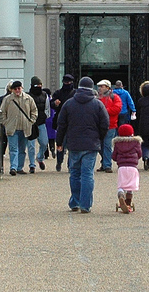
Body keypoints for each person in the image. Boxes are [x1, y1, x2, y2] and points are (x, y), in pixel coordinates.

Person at [55, 76, 108, 213]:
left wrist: (59, 142)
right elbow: (105, 124)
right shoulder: (98, 104)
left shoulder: (69, 103)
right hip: (91, 143)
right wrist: (99, 138)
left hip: (74, 143)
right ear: (92, 88)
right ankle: (85, 205)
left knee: (75, 173)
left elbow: (61, 125)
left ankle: (75, 202)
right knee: (87, 174)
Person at [0, 80, 38, 175]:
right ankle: (13, 168)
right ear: (12, 90)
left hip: (25, 128)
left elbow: (34, 111)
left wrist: (31, 121)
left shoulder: (28, 98)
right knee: (13, 149)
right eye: (15, 89)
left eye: (19, 88)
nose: (17, 90)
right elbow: (2, 112)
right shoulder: (8, 99)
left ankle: (20, 167)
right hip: (12, 128)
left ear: (22, 88)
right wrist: (5, 122)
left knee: (22, 149)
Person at [111, 123, 142, 213]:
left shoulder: (117, 143)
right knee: (130, 186)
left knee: (121, 184)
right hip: (132, 167)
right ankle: (128, 203)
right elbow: (140, 154)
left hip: (122, 167)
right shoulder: (136, 143)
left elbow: (114, 156)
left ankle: (121, 196)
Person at [50, 74, 76, 171]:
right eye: (65, 82)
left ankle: (70, 165)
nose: (67, 84)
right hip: (61, 121)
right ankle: (59, 161)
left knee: (72, 145)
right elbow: (51, 104)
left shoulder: (75, 93)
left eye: (68, 82)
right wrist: (55, 103)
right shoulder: (58, 93)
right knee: (60, 143)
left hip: (72, 121)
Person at [97, 80, 123, 173]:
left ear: (108, 87)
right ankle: (105, 162)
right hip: (98, 126)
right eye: (99, 86)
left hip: (110, 125)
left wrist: (103, 111)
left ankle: (107, 165)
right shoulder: (97, 98)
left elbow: (117, 108)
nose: (100, 88)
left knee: (107, 145)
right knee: (99, 146)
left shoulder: (114, 97)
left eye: (102, 86)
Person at [29, 77, 51, 172]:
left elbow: (47, 107)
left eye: (40, 85)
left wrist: (46, 116)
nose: (38, 87)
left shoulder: (44, 95)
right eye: (36, 85)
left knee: (44, 143)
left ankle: (40, 157)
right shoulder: (28, 96)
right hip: (31, 123)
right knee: (31, 146)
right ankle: (32, 165)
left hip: (41, 122)